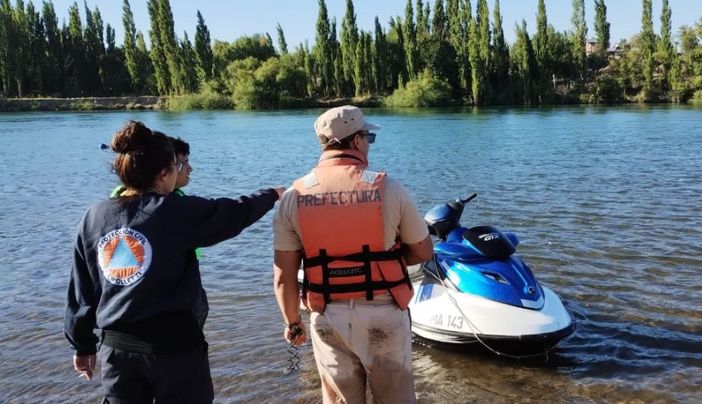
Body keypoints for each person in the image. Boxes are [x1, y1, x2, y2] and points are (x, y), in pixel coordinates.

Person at [65, 120, 283, 403]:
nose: (181, 171)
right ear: (164, 172)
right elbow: (233, 213)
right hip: (175, 350)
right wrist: (273, 195)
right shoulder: (174, 211)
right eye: (177, 167)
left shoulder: (94, 215)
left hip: (117, 352)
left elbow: (82, 288)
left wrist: (82, 344)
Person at [272, 105, 433, 403]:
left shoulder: (293, 197)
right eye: (368, 137)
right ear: (356, 141)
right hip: (384, 314)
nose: (368, 145)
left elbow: (284, 278)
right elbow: (423, 251)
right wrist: (386, 261)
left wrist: (292, 323)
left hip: (328, 315)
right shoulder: (389, 188)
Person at [109, 135, 209, 329]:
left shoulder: (176, 199)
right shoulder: (165, 207)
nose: (189, 169)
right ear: (163, 169)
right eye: (182, 163)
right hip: (158, 305)